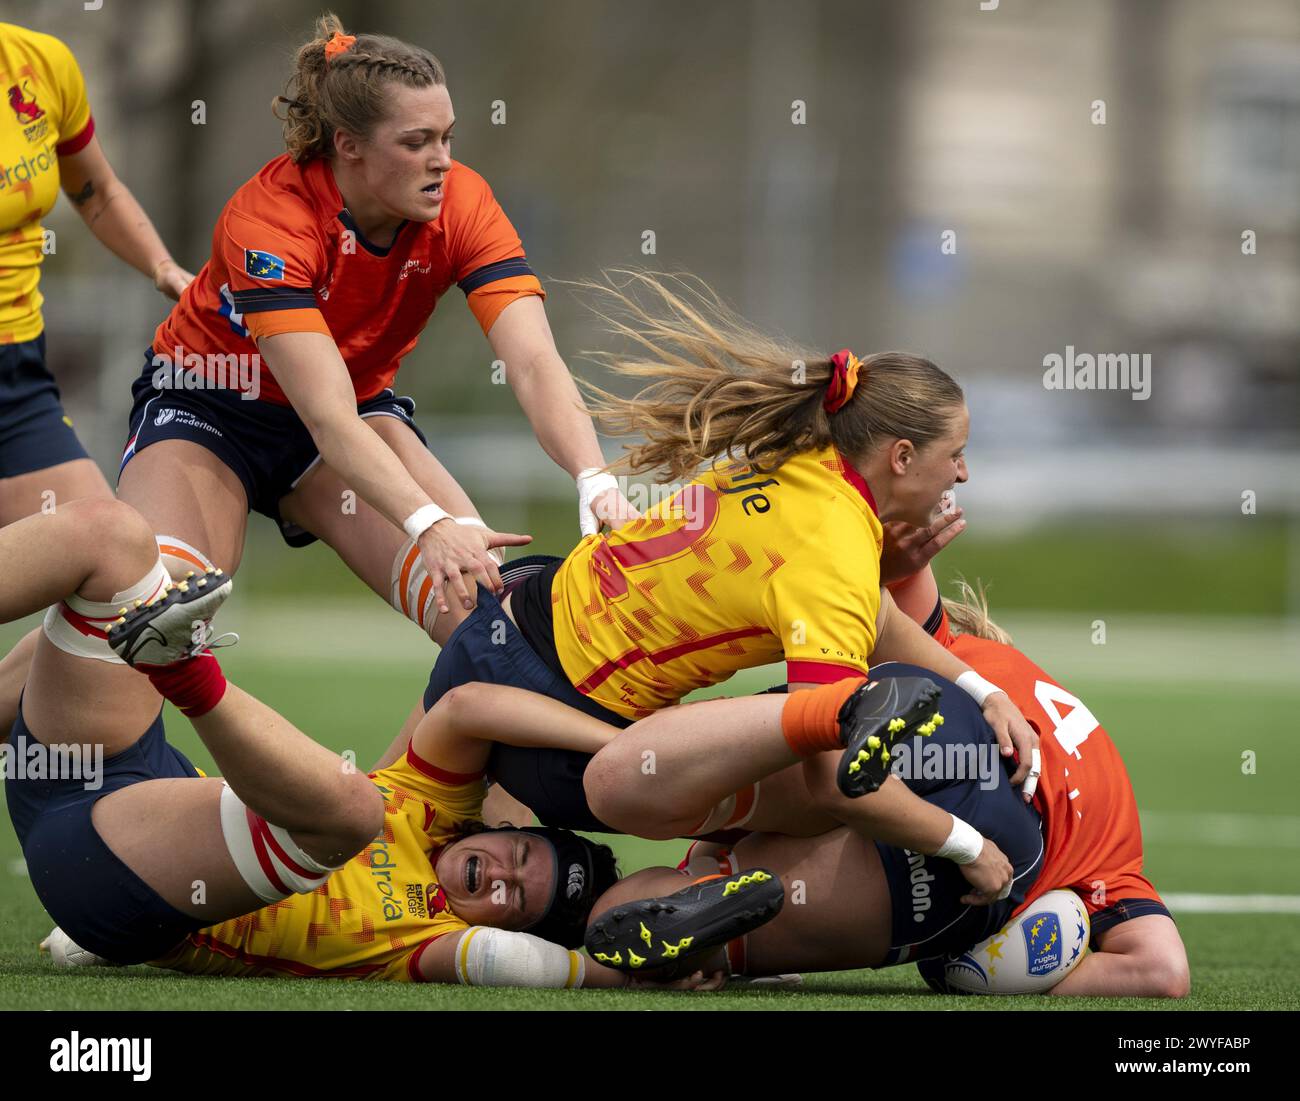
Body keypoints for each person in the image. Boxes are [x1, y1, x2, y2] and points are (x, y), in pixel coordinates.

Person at [415, 271, 1039, 830]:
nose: (962, 474)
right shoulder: (836, 553)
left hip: (506, 617)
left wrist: (984, 692)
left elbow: (870, 616)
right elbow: (835, 786)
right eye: (955, 453)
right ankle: (731, 895)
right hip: (556, 736)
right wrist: (967, 847)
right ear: (901, 457)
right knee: (811, 771)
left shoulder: (799, 453)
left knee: (408, 827)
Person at [5, 497, 704, 989]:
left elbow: (506, 962)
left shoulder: (428, 942)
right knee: (112, 537)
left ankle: (185, 668)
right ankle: (165, 658)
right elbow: (468, 706)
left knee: (351, 808)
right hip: (105, 774)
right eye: (520, 857)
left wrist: (611, 969)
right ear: (515, 826)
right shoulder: (437, 808)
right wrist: (620, 739)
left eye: (513, 898)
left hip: (114, 877)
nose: (499, 876)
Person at [114, 12, 636, 646]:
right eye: (416, 142)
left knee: (492, 624)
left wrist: (594, 476)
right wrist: (427, 524)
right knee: (159, 615)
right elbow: (325, 414)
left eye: (448, 138)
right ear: (348, 145)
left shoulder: (463, 203)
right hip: (212, 408)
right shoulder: (270, 219)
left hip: (355, 413)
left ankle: (405, 755)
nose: (442, 162)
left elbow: (530, 362)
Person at [578, 594, 1188, 998]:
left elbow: (882, 599)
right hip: (999, 848)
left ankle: (713, 809)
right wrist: (967, 972)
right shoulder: (1115, 853)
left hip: (933, 711)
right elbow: (1161, 972)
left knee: (653, 789)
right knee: (636, 924)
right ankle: (718, 920)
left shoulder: (975, 656)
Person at [0, 20, 192, 729]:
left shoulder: (41, 63)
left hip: (16, 378)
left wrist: (165, 269)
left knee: (126, 578)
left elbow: (97, 190)